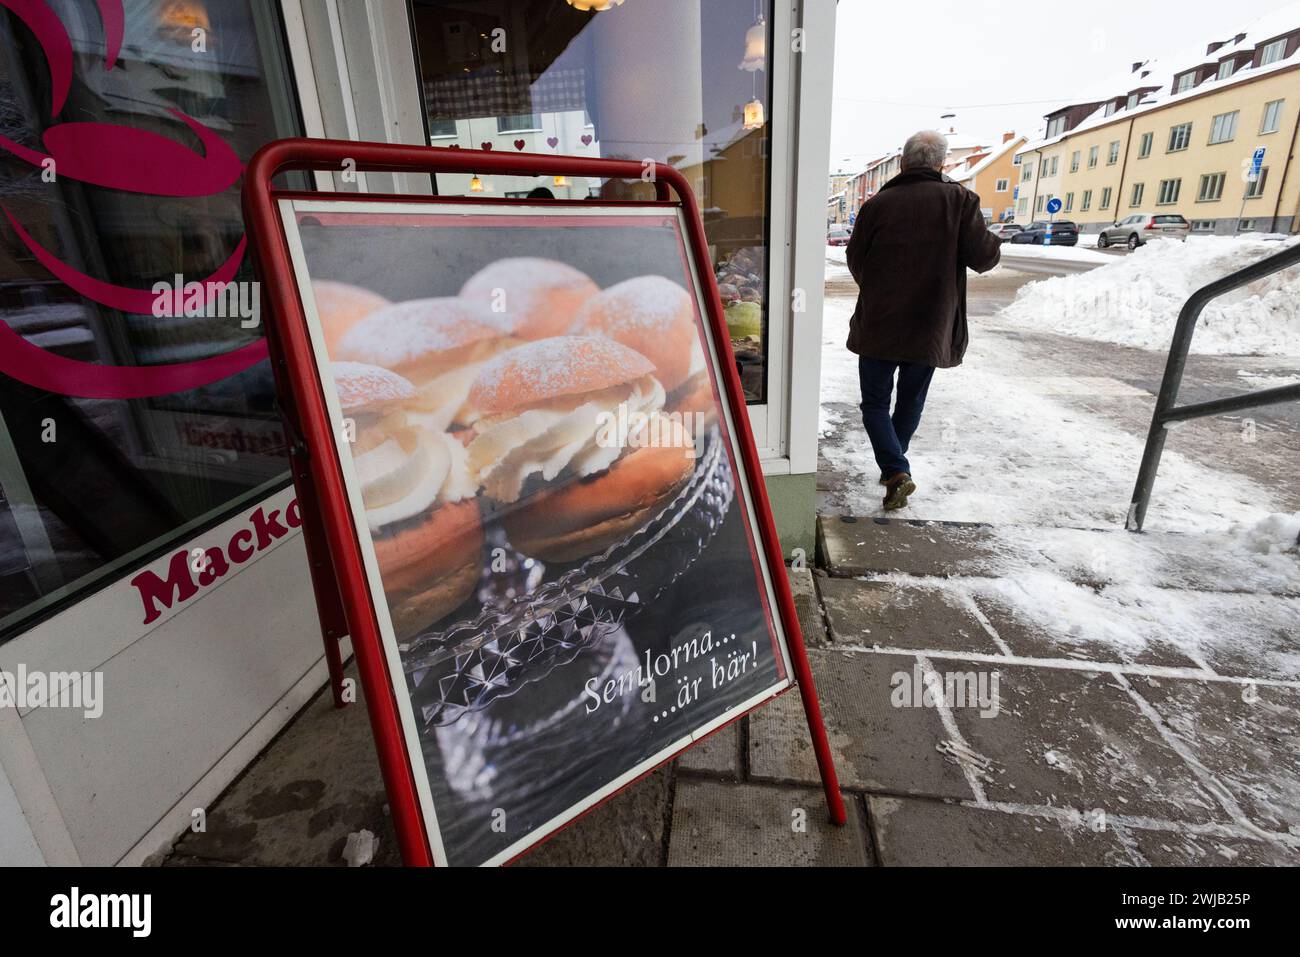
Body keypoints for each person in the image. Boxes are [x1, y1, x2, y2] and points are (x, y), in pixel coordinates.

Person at [845, 130, 1000, 511]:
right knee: (911, 401)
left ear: (903, 162)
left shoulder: (877, 205)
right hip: (930, 323)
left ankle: (895, 469)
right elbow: (983, 257)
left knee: (875, 404)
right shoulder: (960, 201)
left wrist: (879, 289)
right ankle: (895, 469)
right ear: (941, 164)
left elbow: (856, 258)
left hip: (880, 321)